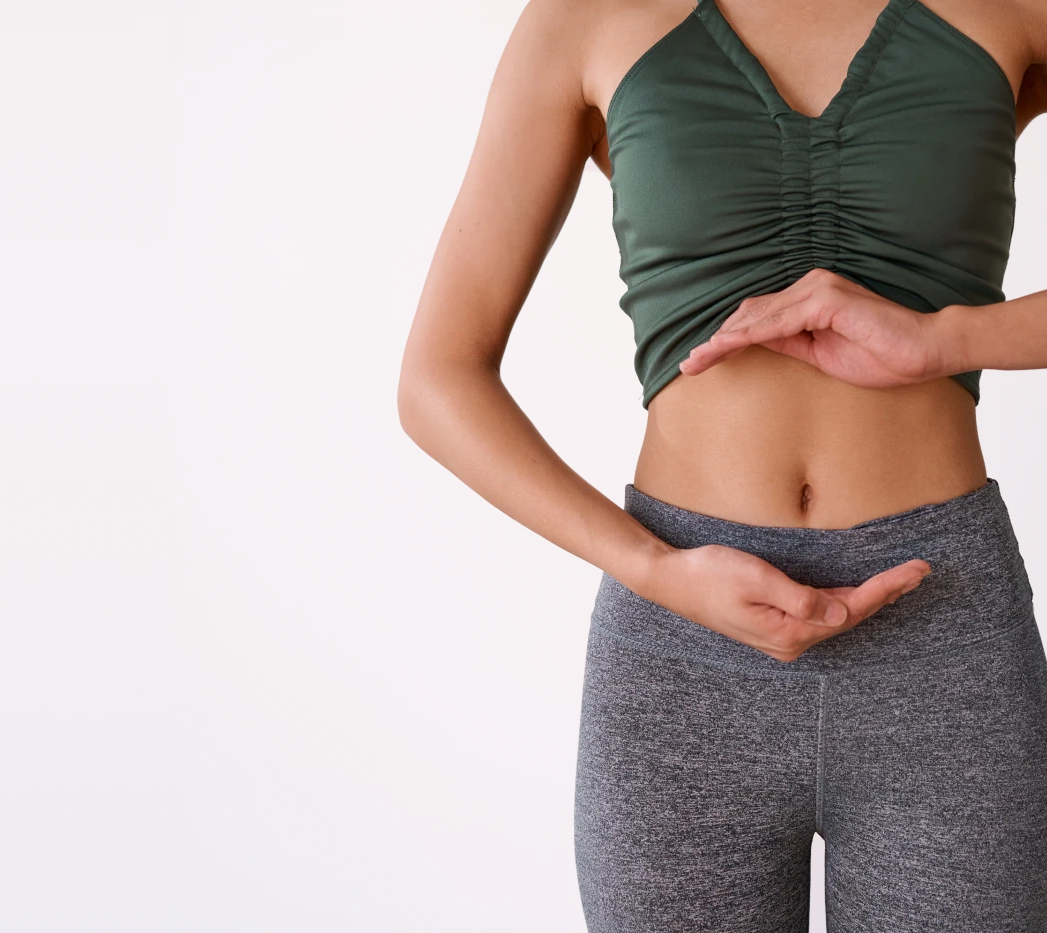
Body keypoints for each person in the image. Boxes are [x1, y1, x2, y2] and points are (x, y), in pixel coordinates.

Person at [396, 0, 1047, 928]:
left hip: (943, 633)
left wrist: (946, 337)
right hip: (681, 656)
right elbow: (436, 379)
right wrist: (654, 570)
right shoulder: (584, 20)